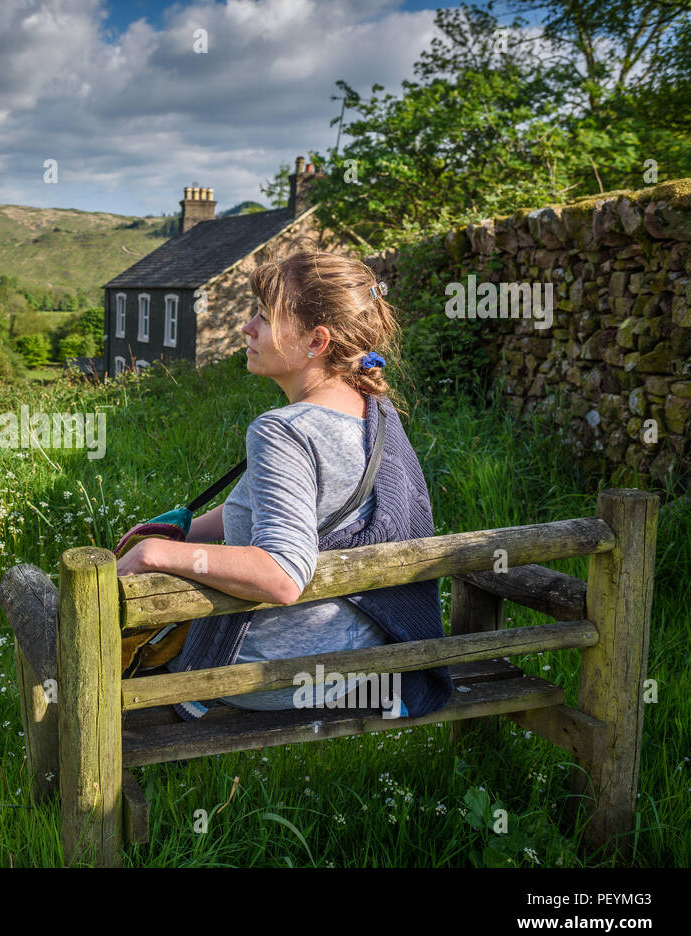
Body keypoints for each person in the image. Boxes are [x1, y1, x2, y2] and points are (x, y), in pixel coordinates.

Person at [114, 250, 452, 720]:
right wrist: (183, 530)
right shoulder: (373, 409)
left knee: (81, 646)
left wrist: (157, 554)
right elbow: (286, 504)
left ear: (316, 341)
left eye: (265, 317)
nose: (248, 329)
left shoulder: (283, 431)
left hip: (272, 673)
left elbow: (282, 574)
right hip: (359, 656)